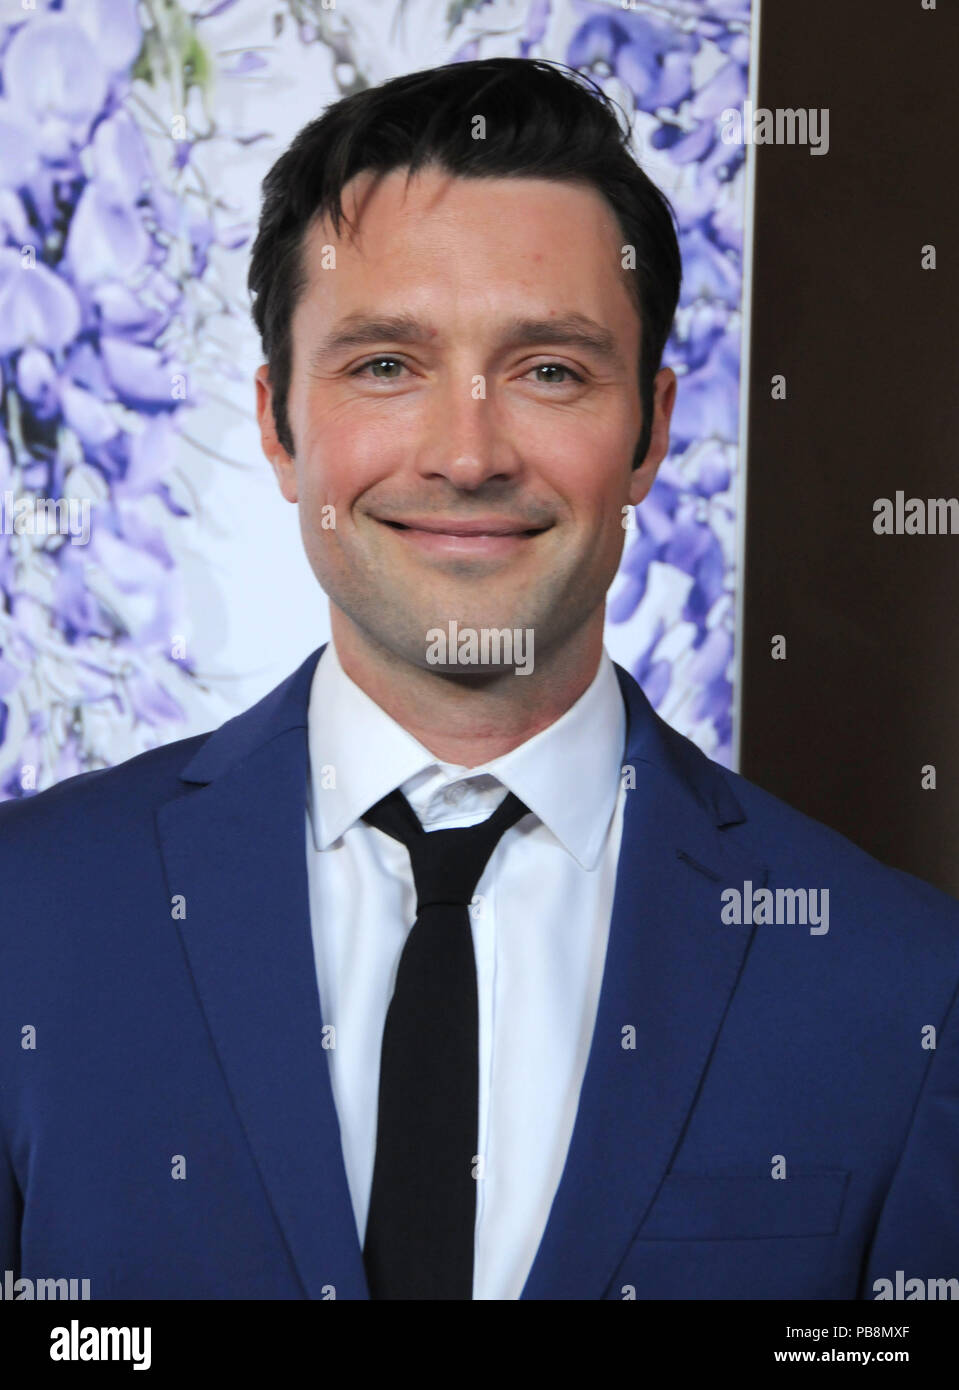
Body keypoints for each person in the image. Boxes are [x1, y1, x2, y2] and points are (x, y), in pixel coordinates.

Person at [1, 58, 957, 1302]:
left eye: (549, 370)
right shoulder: (28, 920)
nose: (465, 453)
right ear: (280, 428)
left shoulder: (899, 984)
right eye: (385, 365)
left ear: (652, 432)